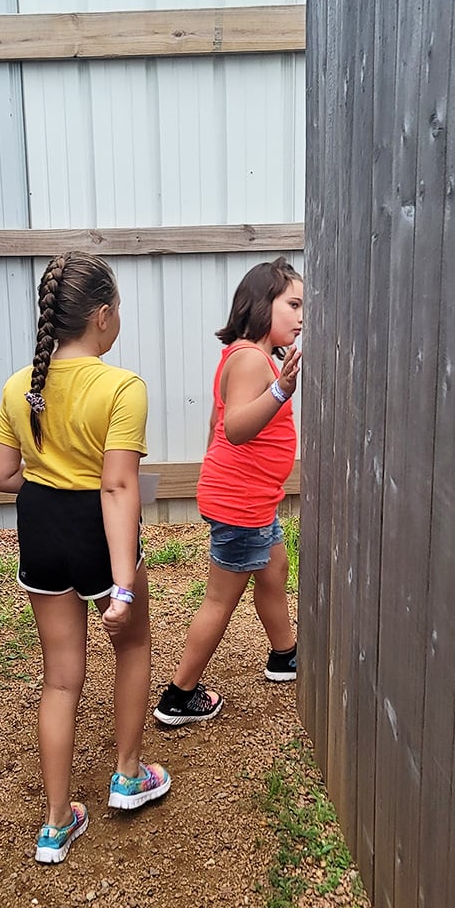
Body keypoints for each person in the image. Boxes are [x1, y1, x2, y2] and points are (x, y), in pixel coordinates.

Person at [0, 252, 170, 864]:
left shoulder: (19, 386)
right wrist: (121, 585)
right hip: (99, 533)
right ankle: (127, 775)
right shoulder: (122, 387)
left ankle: (57, 823)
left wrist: (44, 482)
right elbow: (117, 489)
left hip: (39, 527)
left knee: (60, 678)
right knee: (133, 646)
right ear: (102, 315)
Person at [154, 257, 303, 728]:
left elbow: (216, 425)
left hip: (251, 498)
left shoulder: (246, 355)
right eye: (293, 305)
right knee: (220, 598)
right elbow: (236, 428)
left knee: (274, 567)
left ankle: (285, 655)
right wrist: (281, 391)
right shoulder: (249, 360)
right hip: (242, 504)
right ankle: (179, 695)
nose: (301, 317)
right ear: (263, 305)